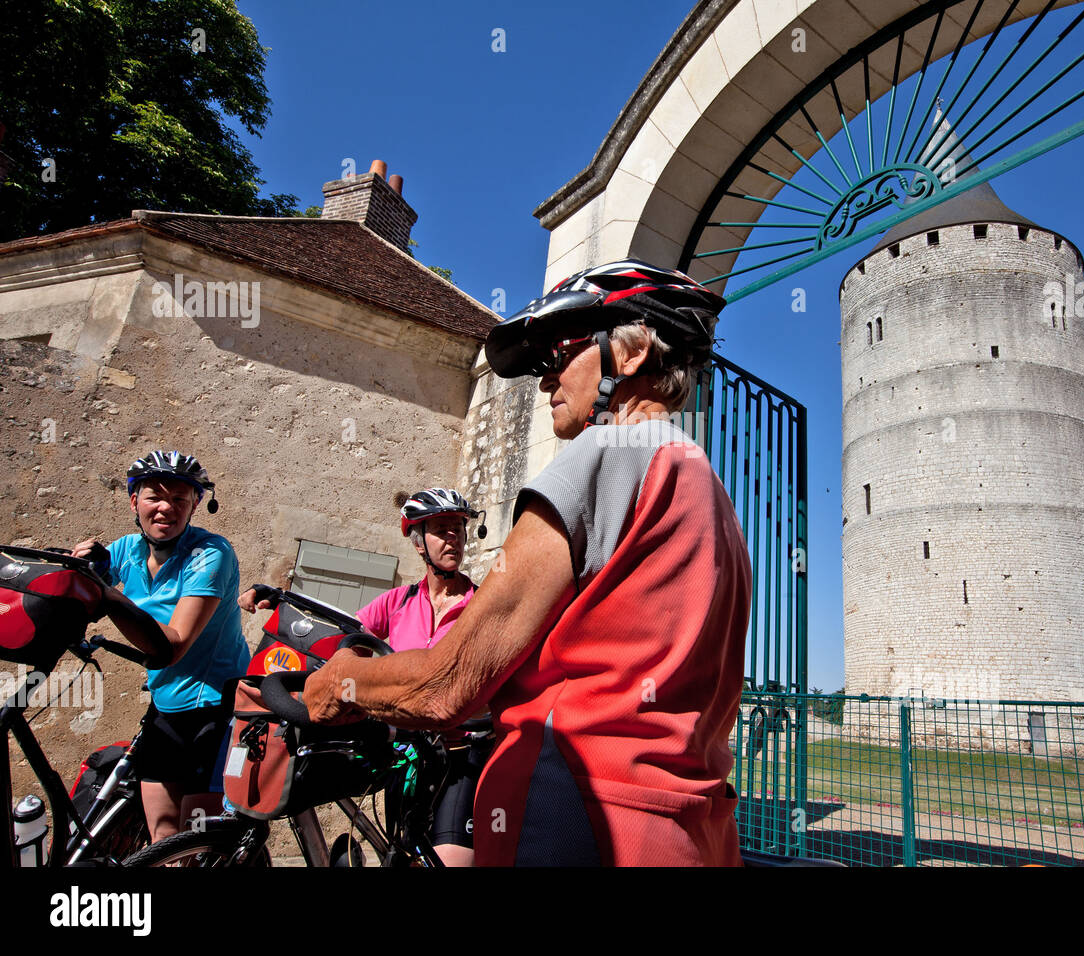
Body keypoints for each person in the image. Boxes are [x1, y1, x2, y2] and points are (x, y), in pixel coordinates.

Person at [302, 259, 752, 866]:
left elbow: (446, 683)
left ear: (636, 350)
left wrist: (333, 682)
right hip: (685, 828)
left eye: (558, 355)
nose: (546, 383)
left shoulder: (612, 450)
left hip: (577, 811)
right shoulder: (705, 488)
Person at [238, 486, 485, 866]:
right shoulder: (399, 601)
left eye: (457, 528)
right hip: (406, 749)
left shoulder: (482, 604)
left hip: (459, 749)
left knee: (449, 860)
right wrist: (284, 604)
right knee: (402, 852)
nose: (453, 536)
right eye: (441, 529)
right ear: (419, 543)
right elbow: (342, 635)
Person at [73, 451, 249, 843]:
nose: (166, 508)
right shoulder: (126, 550)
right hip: (165, 707)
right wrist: (81, 570)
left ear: (194, 506)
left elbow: (172, 646)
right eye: (155, 496)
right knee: (162, 836)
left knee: (192, 840)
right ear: (134, 500)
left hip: (215, 710)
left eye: (180, 500)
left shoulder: (210, 555)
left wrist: (102, 591)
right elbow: (80, 586)